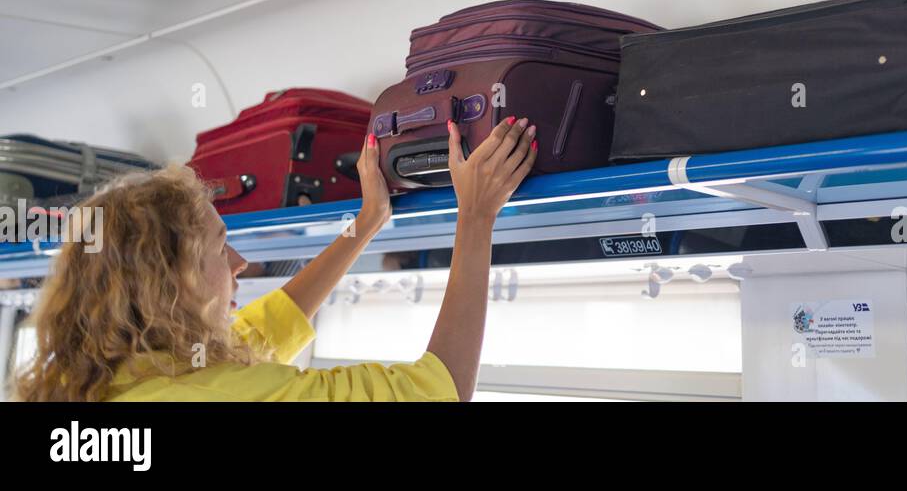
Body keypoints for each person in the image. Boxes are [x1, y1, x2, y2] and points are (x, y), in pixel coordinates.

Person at [15, 116, 537, 401]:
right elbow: (434, 392)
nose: (240, 262)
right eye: (222, 246)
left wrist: (367, 222)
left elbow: (258, 337)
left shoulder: (107, 377)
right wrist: (476, 217)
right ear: (170, 282)